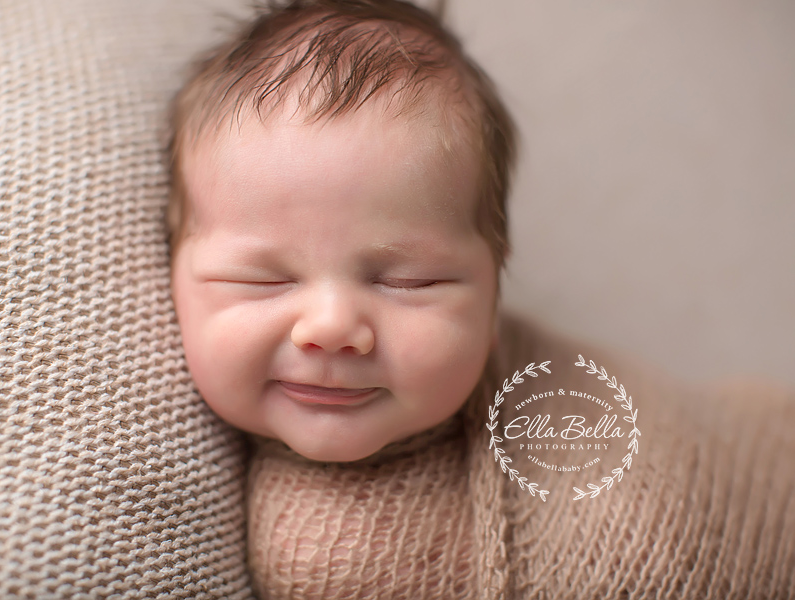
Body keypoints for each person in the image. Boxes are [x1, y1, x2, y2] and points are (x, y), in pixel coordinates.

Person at [167, 1, 795, 597]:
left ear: (492, 296)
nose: (330, 326)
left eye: (409, 282)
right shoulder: (315, 553)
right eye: (262, 281)